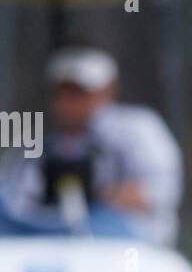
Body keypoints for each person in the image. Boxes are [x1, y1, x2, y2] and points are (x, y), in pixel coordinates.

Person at [0, 47, 182, 246]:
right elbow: (13, 198)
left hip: (123, 242)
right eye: (63, 92)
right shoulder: (39, 140)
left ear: (108, 90)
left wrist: (99, 194)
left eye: (79, 93)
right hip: (46, 236)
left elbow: (161, 192)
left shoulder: (138, 129)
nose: (69, 102)